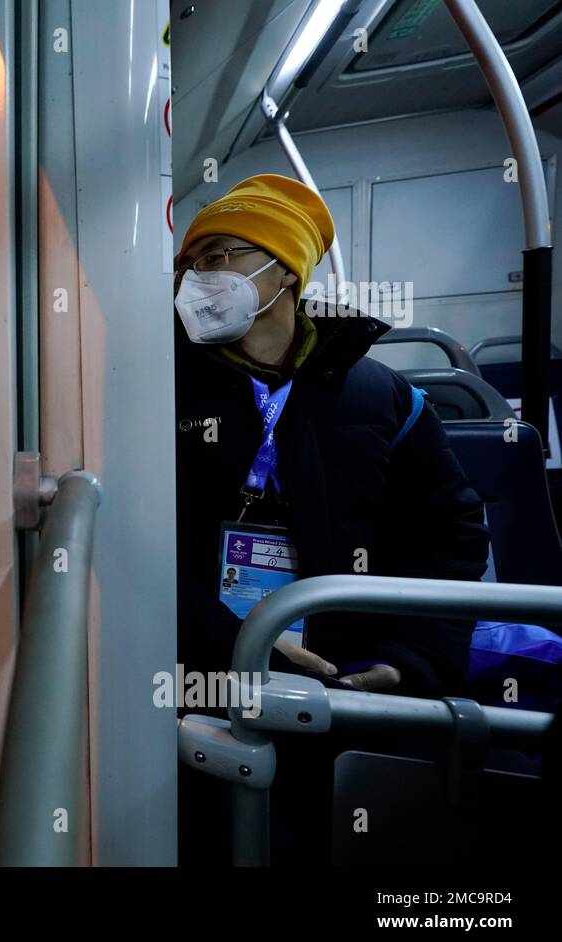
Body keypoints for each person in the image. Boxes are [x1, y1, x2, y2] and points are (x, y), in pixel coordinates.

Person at [174, 174, 489, 700]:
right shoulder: (156, 394)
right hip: (201, 679)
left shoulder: (384, 399)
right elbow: (132, 551)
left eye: (215, 256)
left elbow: (447, 534)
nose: (192, 279)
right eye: (185, 265)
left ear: (284, 271)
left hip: (352, 680)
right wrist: (233, 649)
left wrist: (412, 659)